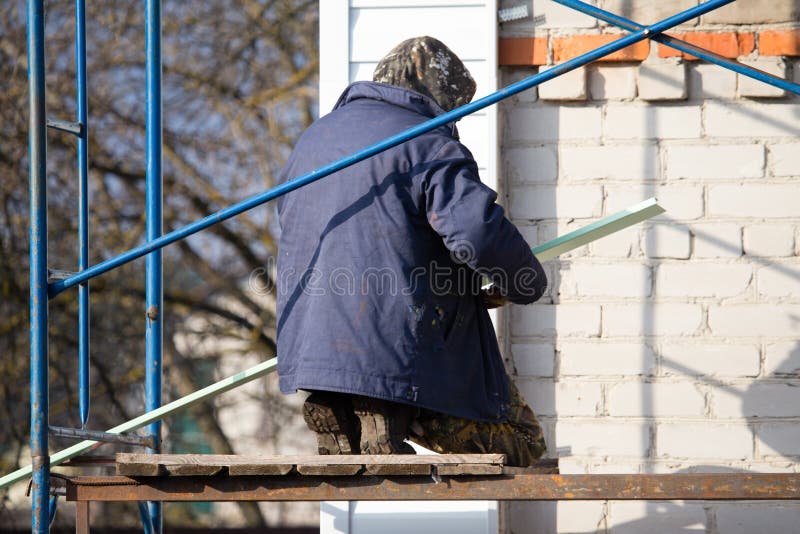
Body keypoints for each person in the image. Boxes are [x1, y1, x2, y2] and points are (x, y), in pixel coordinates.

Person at [275, 36, 547, 466]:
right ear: (439, 99)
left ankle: (342, 404)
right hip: (397, 348)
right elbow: (475, 231)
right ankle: (385, 407)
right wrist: (525, 279)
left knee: (361, 367)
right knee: (524, 443)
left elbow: (364, 241)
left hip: (313, 348)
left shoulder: (313, 139)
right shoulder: (426, 143)